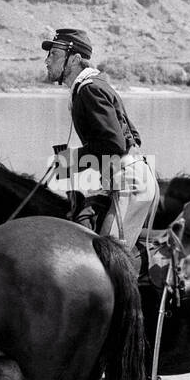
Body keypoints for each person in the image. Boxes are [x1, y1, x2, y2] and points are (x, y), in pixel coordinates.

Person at [42, 28, 157, 247]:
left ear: (74, 59)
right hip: (123, 179)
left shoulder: (90, 90)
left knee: (107, 256)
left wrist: (71, 159)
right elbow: (133, 137)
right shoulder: (93, 86)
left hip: (129, 183)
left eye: (54, 55)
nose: (47, 61)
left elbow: (113, 143)